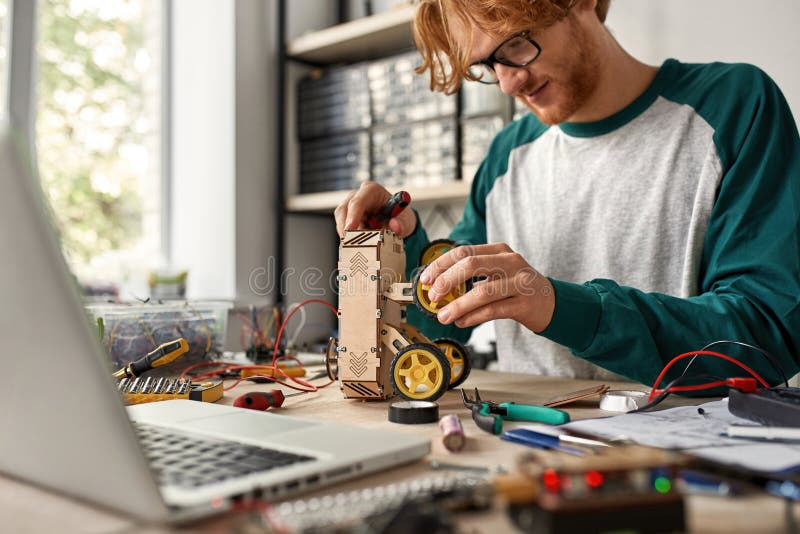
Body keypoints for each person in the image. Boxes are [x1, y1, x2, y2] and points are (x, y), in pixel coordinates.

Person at [334, 0, 800, 388]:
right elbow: (443, 318)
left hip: (684, 455)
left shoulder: (734, 105)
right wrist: (407, 239)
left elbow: (769, 331)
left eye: (516, 43)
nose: (509, 82)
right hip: (520, 443)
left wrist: (565, 308)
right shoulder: (506, 154)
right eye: (487, 65)